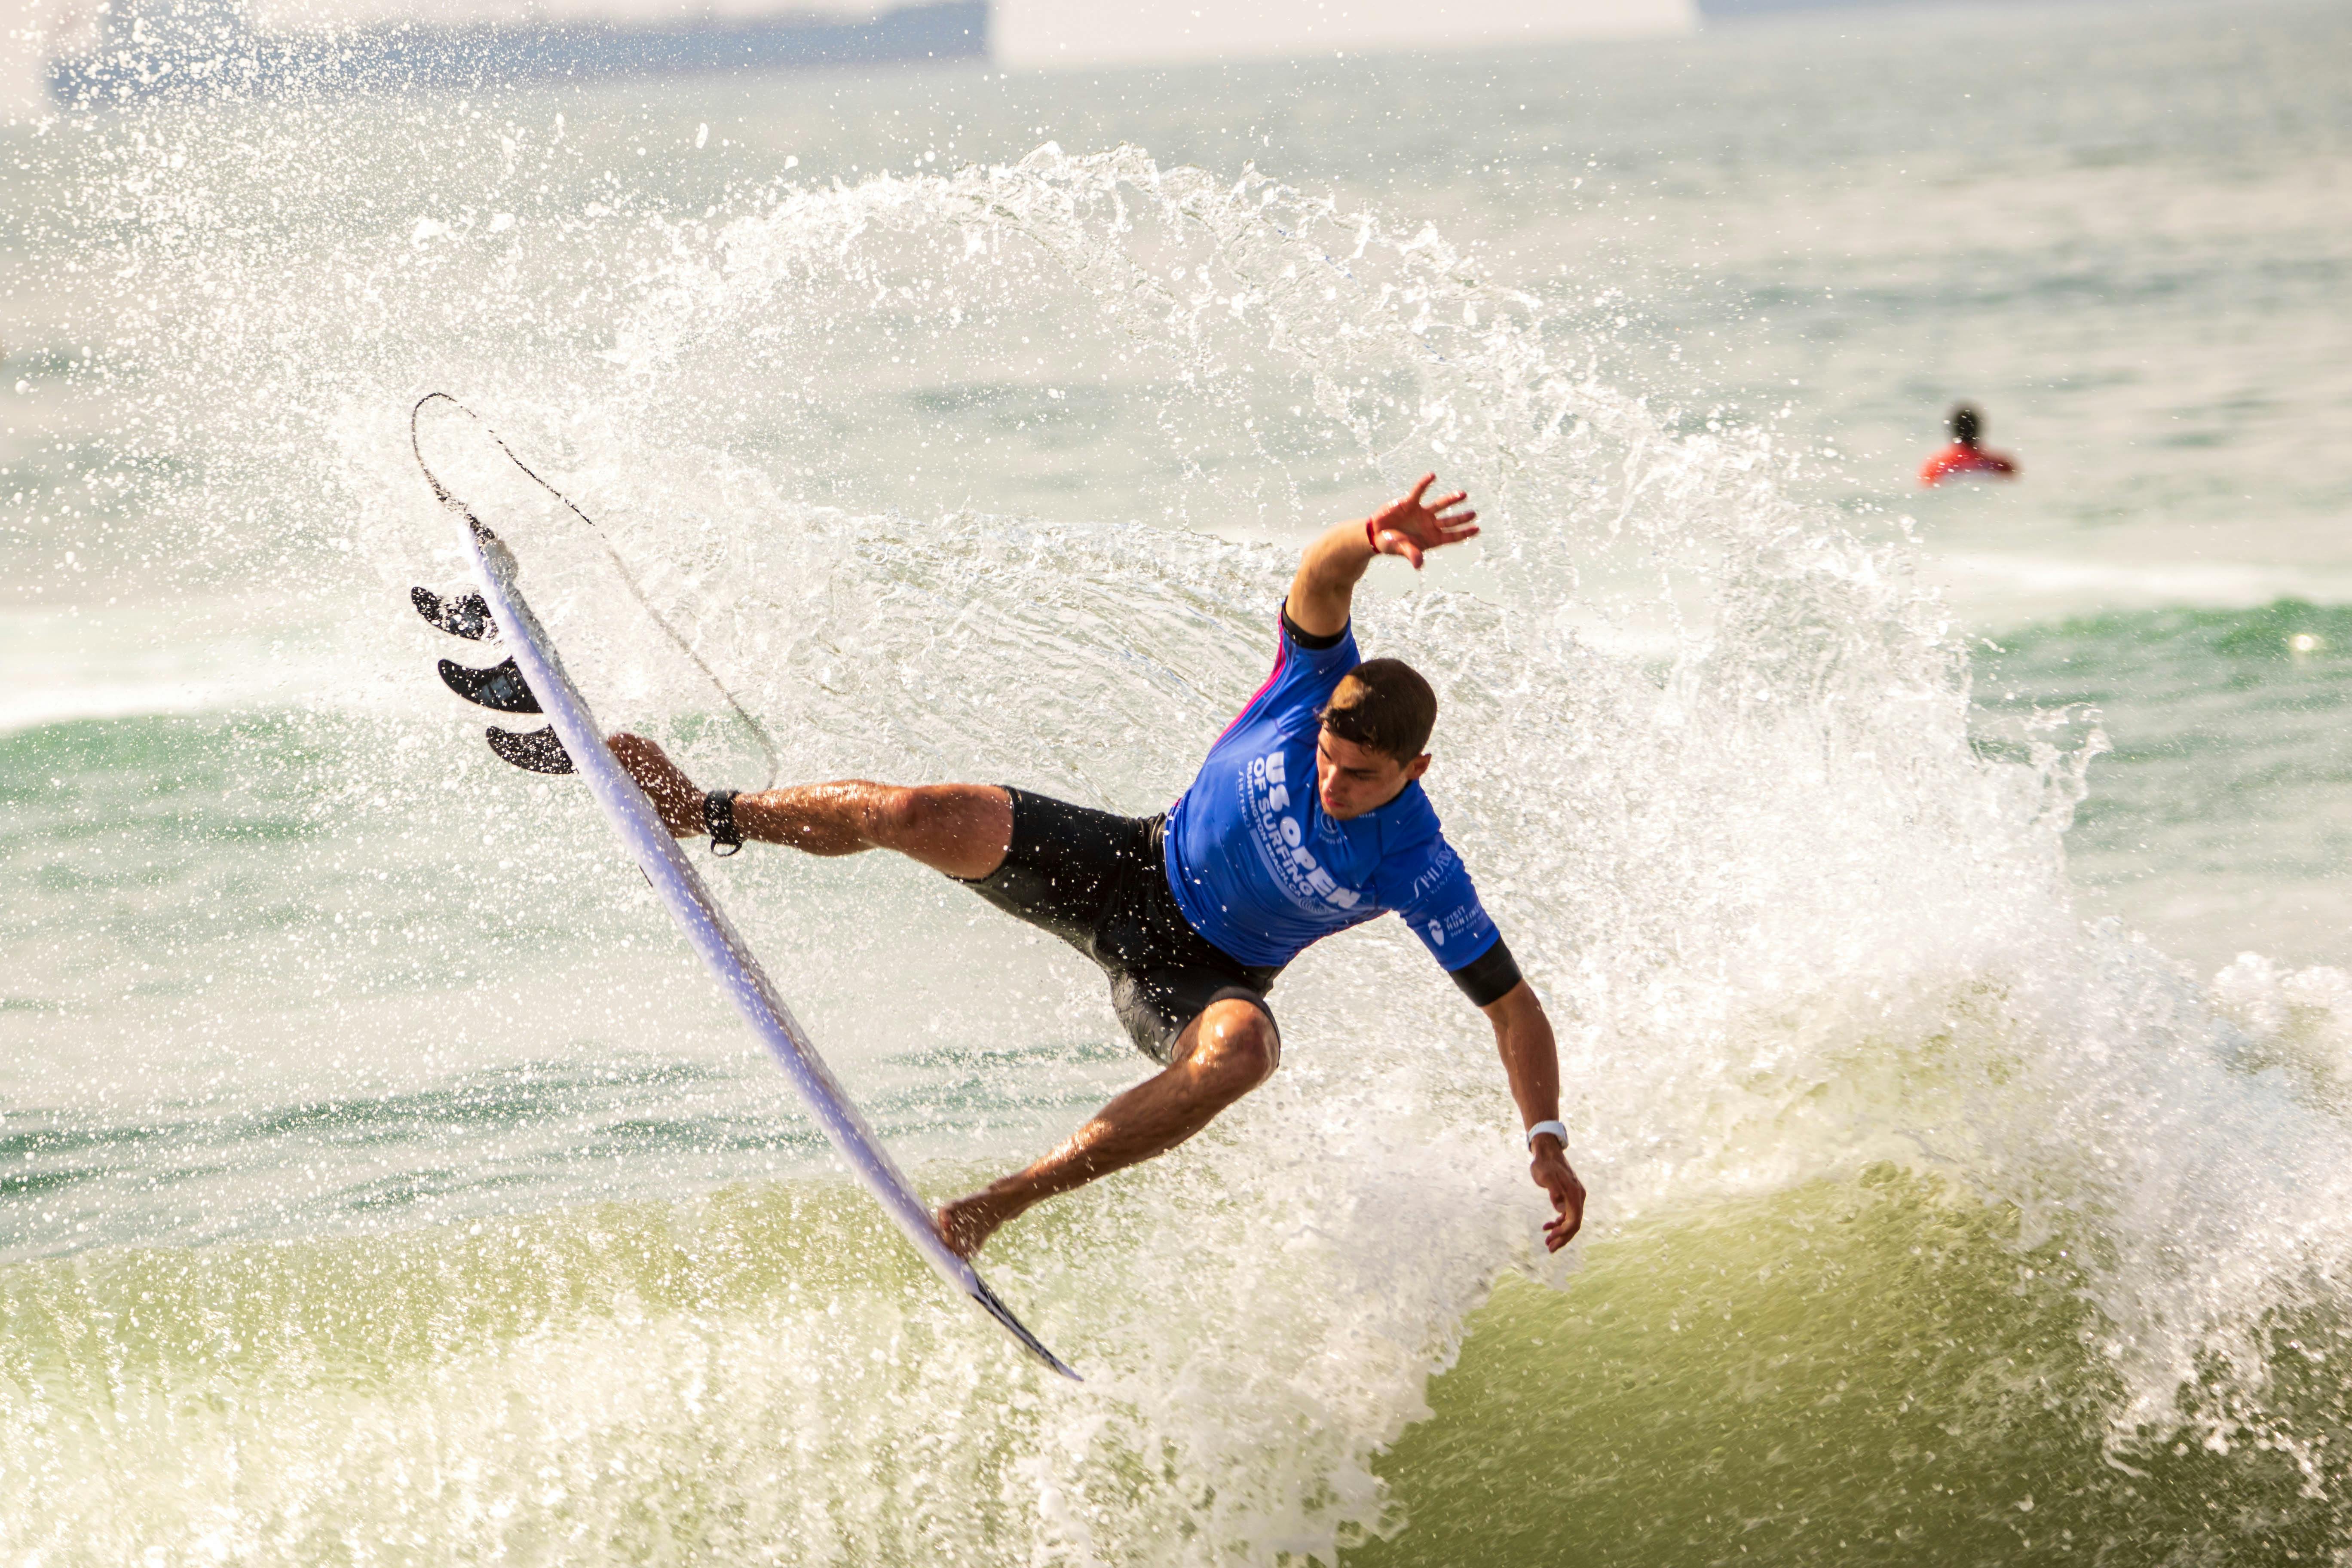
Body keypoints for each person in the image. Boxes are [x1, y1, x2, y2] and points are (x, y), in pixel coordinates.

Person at [609, 476, 1585, 1260]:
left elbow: (1510, 1008)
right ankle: (700, 811)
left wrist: (1544, 1140)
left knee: (1241, 1054)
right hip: (1127, 864)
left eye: (1359, 778)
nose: (1329, 782)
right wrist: (1371, 533)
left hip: (1199, 977)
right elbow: (1321, 579)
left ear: (1413, 771)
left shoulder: (1417, 863)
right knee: (919, 812)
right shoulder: (1310, 689)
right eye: (1326, 758)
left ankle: (1003, 1202)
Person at [1920, 402, 2018, 487]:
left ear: (1952, 430)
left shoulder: (1937, 466)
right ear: (1979, 429)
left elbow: (1928, 488)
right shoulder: (2001, 464)